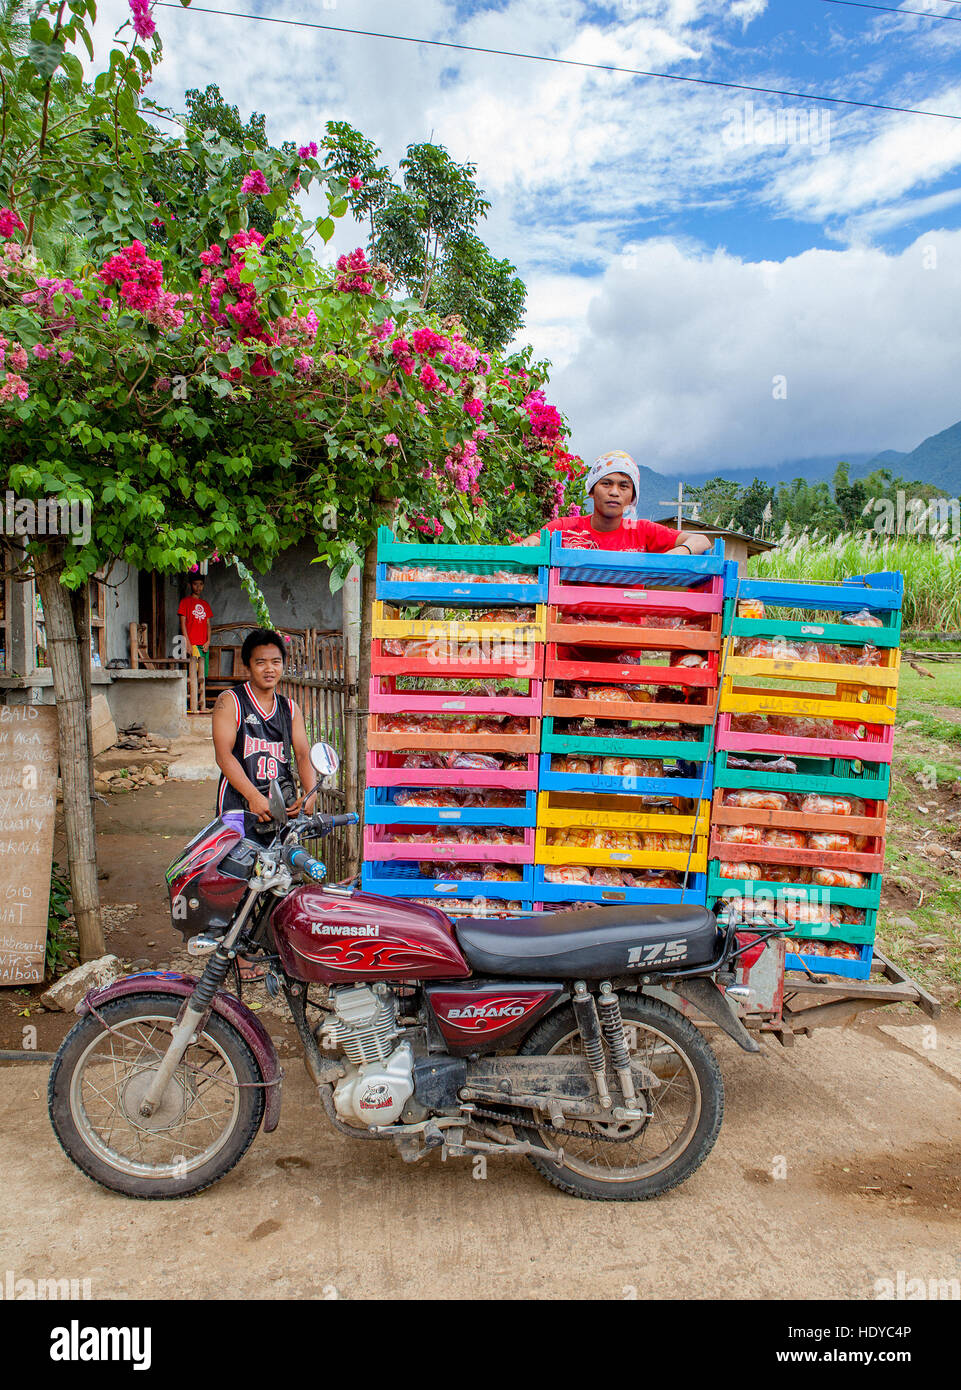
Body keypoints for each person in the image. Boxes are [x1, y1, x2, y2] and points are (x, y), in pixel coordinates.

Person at [212, 629, 316, 981]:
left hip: (279, 803)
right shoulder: (232, 702)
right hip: (240, 803)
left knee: (277, 875)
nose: (269, 669)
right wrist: (253, 796)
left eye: (275, 662)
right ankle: (233, 949)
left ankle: (269, 944)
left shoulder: (289, 708)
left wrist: (310, 790)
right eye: (261, 663)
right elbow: (224, 755)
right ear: (248, 667)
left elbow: (302, 753)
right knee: (238, 876)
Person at [525, 450, 712, 554]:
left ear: (632, 497)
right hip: (570, 623)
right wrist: (529, 545)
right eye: (606, 484)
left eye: (624, 486)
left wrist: (676, 555)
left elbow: (701, 541)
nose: (614, 492)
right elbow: (528, 544)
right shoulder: (565, 528)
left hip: (629, 624)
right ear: (591, 490)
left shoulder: (643, 531)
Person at [177, 574, 213, 675]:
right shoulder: (185, 602)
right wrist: (187, 642)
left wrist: (208, 641)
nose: (198, 587)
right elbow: (182, 624)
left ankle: (201, 691)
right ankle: (192, 691)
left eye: (201, 584)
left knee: (203, 674)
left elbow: (208, 625)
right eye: (195, 584)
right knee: (193, 673)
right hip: (192, 644)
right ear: (190, 585)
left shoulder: (205, 604)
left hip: (204, 645)